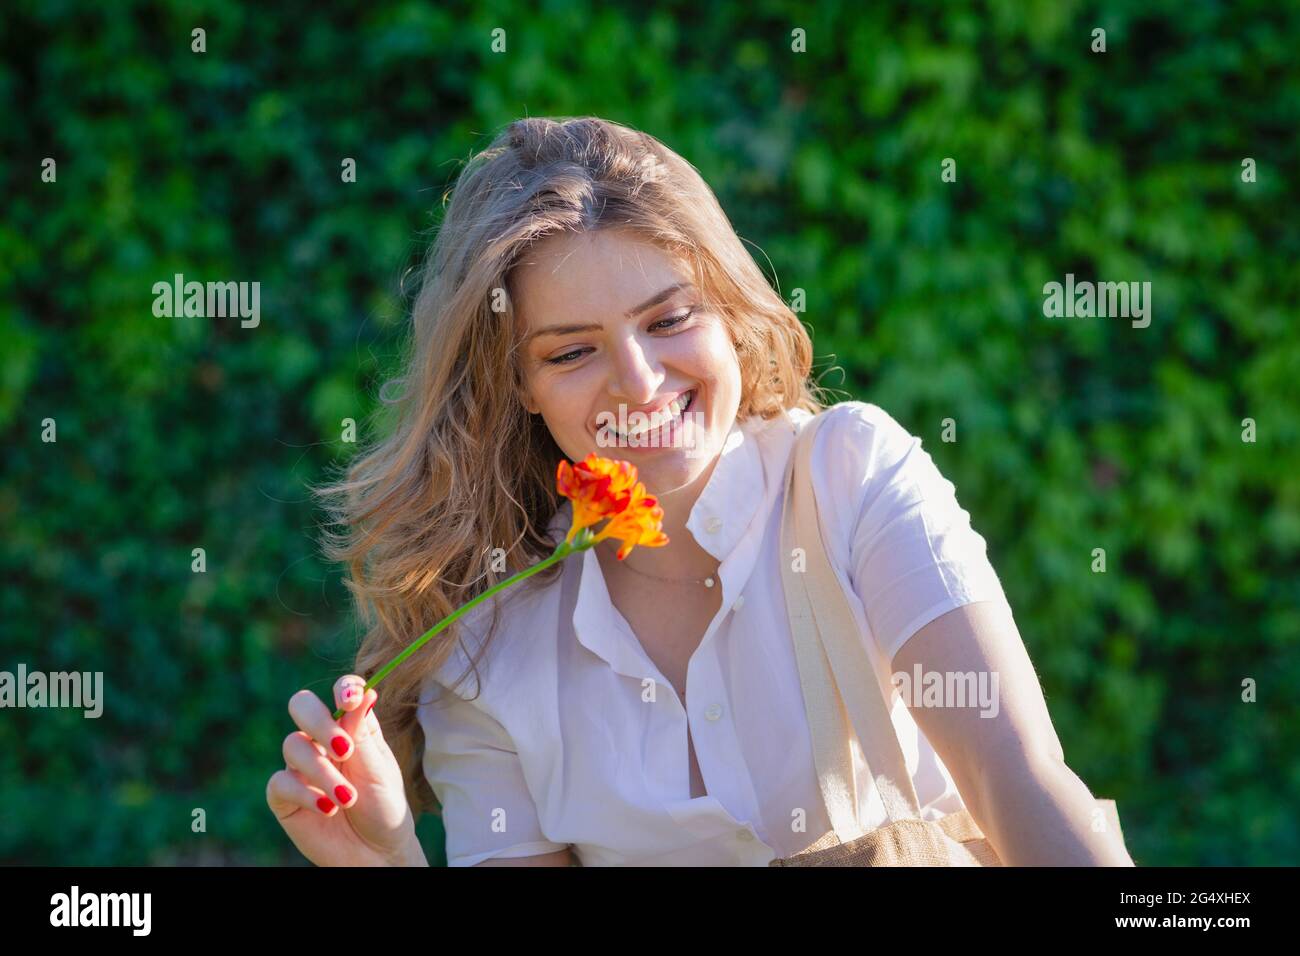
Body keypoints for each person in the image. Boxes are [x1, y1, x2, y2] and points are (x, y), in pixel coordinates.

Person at [265, 115, 1134, 866]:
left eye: (670, 319)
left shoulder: (849, 474)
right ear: (516, 382)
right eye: (571, 351)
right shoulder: (487, 646)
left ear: (726, 310)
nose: (639, 383)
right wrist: (389, 859)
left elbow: (1012, 775)